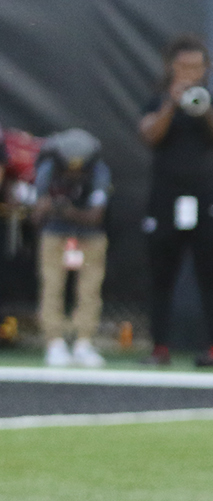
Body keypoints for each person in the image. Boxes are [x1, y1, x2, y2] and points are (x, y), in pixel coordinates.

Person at [138, 34, 213, 367]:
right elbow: (150, 135)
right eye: (183, 67)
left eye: (196, 68)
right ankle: (160, 347)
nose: (190, 74)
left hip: (208, 198)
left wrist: (204, 108)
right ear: (171, 68)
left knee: (211, 274)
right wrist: (171, 103)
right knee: (161, 274)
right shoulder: (155, 101)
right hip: (167, 197)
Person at [33, 129, 111, 368]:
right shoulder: (48, 169)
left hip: (90, 237)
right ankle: (54, 342)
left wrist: (68, 211)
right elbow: (37, 215)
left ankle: (83, 343)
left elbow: (96, 216)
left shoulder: (99, 171)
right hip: (55, 235)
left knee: (89, 290)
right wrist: (46, 207)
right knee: (52, 286)